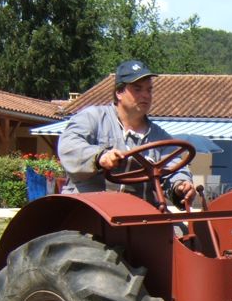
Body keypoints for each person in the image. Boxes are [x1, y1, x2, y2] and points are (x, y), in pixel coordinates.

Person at [57, 59, 195, 206]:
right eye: (137, 89)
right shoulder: (92, 118)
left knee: (182, 229)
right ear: (119, 92)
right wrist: (99, 157)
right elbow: (69, 145)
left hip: (137, 212)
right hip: (89, 208)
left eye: (149, 90)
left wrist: (181, 184)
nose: (145, 95)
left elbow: (174, 167)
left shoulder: (159, 137)